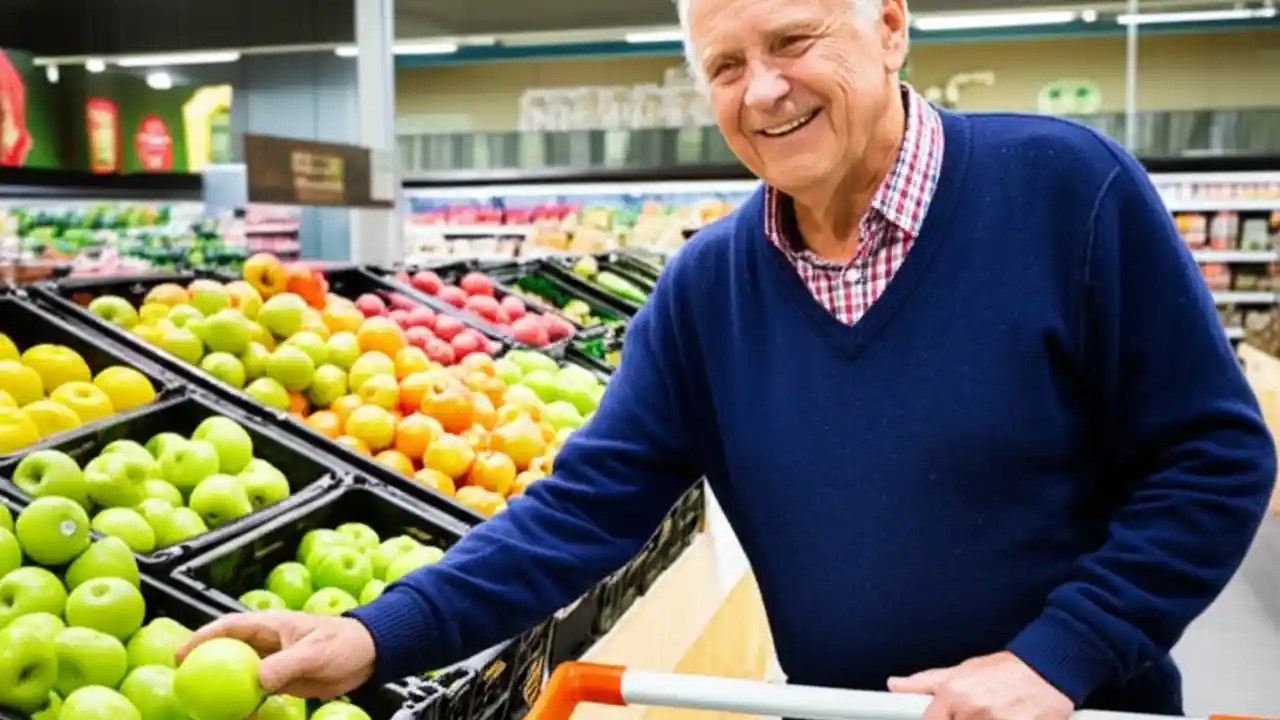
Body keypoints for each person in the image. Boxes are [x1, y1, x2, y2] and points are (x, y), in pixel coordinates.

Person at [177, 0, 1278, 716]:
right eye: (723, 65)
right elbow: (584, 509)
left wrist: (1054, 658)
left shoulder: (1064, 190)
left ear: (888, 24)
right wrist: (373, 634)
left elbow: (1211, 457)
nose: (761, 91)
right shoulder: (705, 287)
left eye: (793, 42)